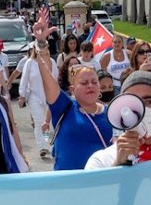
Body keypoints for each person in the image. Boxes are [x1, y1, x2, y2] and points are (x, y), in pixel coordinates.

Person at [32, 19, 114, 170]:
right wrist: (42, 45)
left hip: (103, 185)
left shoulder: (112, 113)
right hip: (68, 186)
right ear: (72, 89)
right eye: (84, 83)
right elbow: (47, 77)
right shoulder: (64, 107)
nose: (90, 85)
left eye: (94, 82)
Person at [17, 43, 57, 158]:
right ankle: (42, 146)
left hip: (49, 96)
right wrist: (22, 95)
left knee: (48, 122)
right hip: (34, 96)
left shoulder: (52, 62)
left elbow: (55, 79)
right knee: (39, 121)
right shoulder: (29, 63)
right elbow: (24, 80)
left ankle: (49, 144)